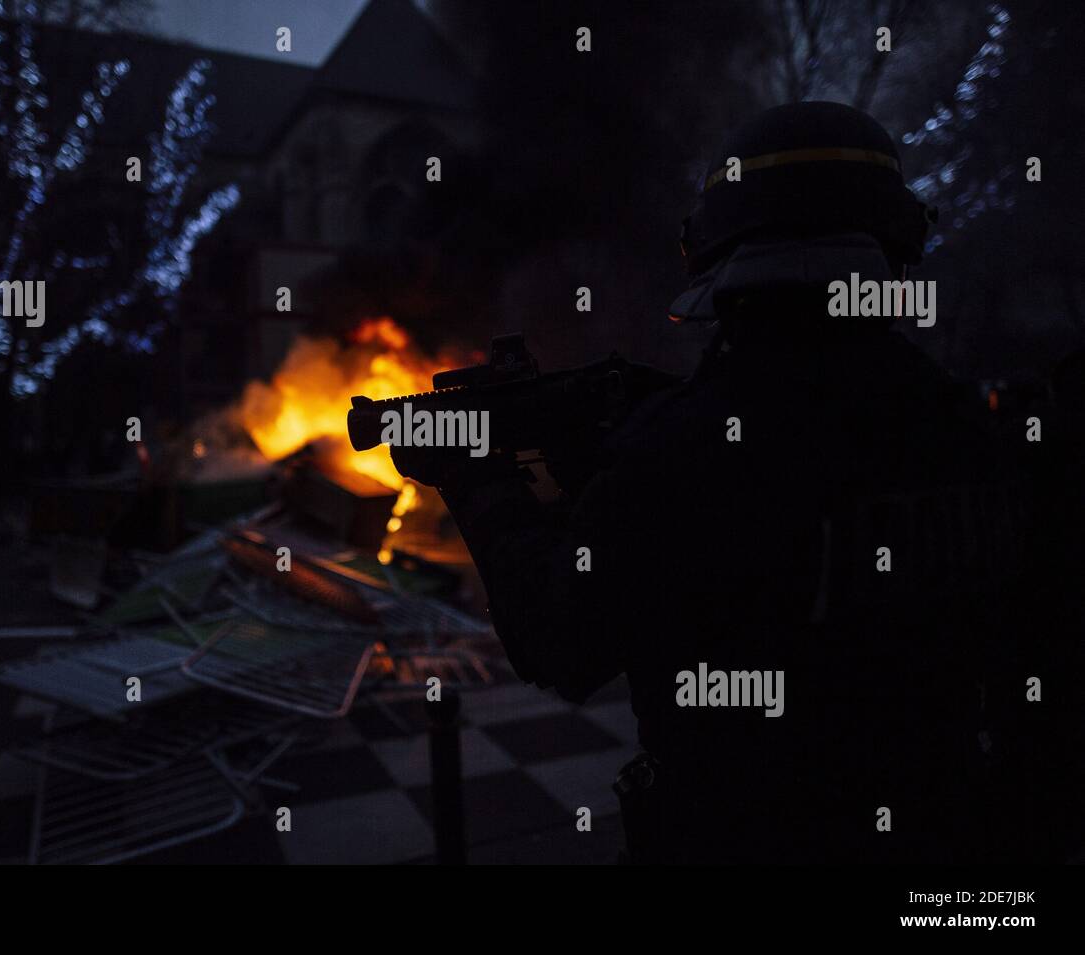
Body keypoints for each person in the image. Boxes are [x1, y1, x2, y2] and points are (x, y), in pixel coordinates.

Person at [391, 101, 1057, 863]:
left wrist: (477, 476)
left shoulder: (684, 450)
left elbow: (560, 641)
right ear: (897, 242)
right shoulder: (976, 431)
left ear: (716, 254)